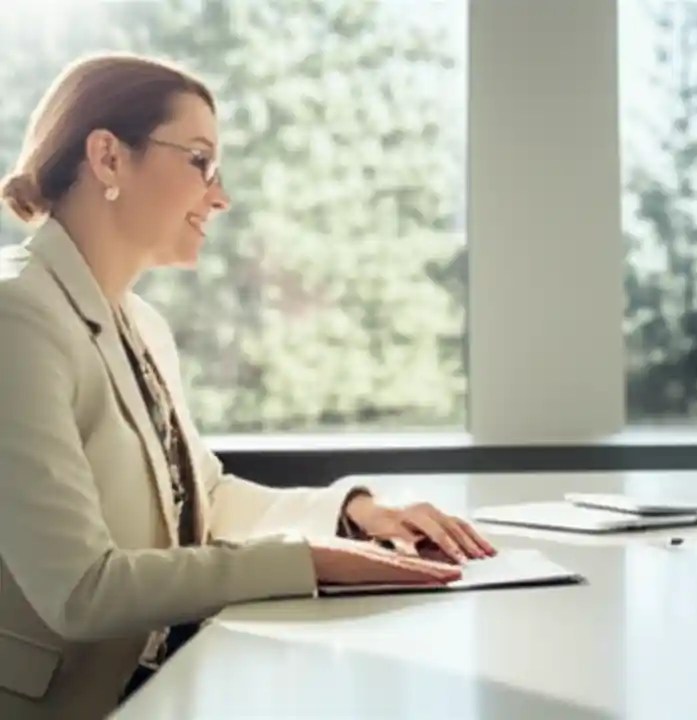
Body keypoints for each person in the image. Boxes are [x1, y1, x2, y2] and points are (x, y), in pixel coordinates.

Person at [0, 53, 496, 718]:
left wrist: (353, 515)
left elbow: (201, 498)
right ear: (109, 158)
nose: (221, 194)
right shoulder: (17, 317)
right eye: (200, 160)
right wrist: (305, 562)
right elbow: (82, 590)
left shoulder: (139, 323)